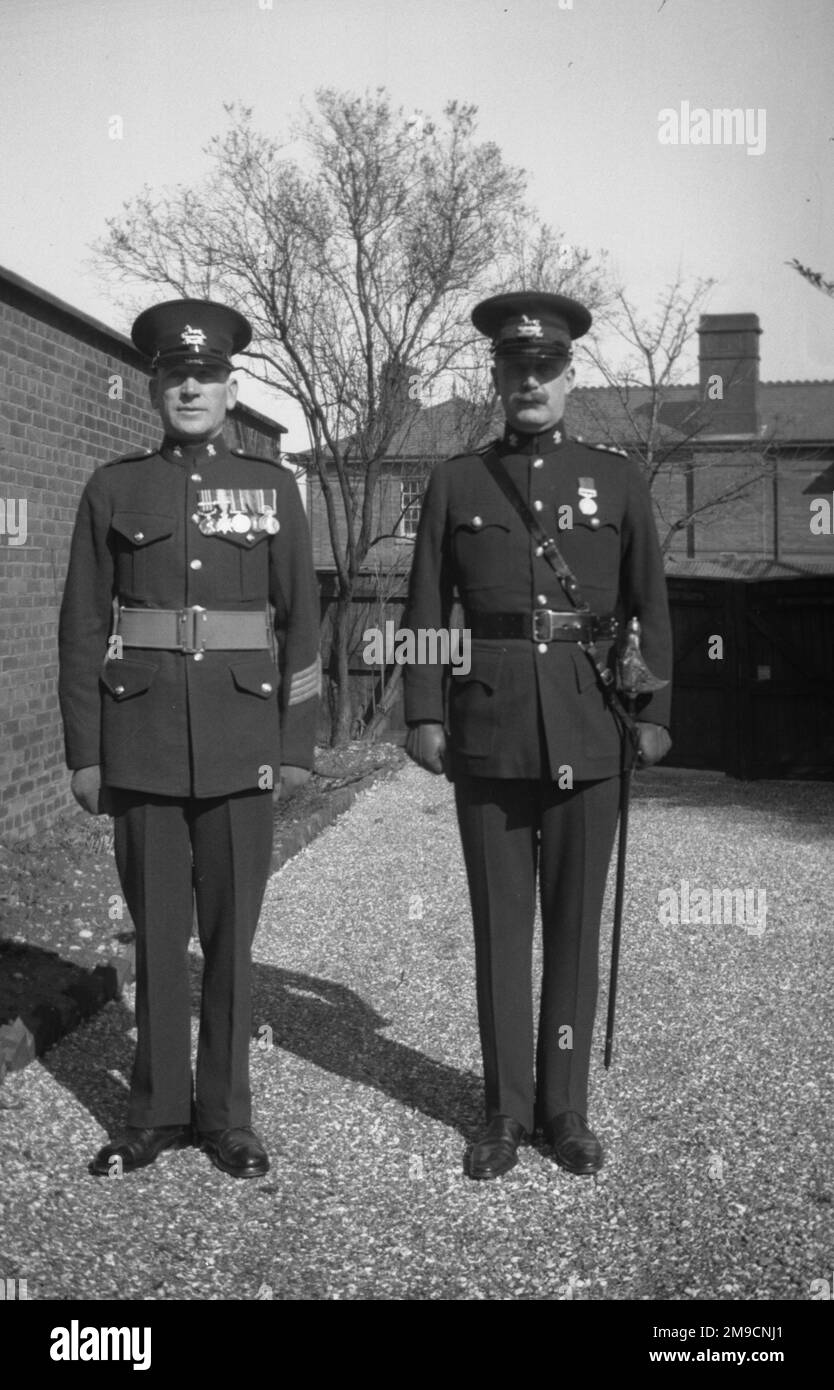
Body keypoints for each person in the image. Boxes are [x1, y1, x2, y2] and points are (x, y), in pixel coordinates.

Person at [403, 291, 672, 1180]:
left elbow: (651, 608)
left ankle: (566, 1111)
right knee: (500, 929)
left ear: (568, 376)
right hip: (487, 729)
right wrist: (424, 712)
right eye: (514, 368)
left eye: (544, 368)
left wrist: (657, 714)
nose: (529, 381)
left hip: (590, 727)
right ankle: (503, 1112)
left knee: (573, 928)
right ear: (496, 376)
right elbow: (425, 610)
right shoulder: (456, 481)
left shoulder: (619, 478)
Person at [58, 298, 320, 1179]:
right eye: (177, 377)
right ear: (154, 386)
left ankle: (228, 1118)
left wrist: (293, 744)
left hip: (243, 733)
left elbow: (303, 626)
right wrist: (87, 753)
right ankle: (155, 1114)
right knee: (159, 936)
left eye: (207, 377)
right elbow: (81, 627)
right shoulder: (114, 487)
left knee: (230, 940)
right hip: (142, 740)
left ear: (230, 387)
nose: (192, 390)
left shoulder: (272, 487)